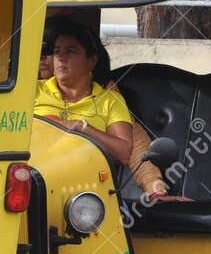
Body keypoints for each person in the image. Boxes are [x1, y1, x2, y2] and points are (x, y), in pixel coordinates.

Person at [33, 22, 135, 167]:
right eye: (57, 51)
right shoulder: (33, 90)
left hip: (87, 182)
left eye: (70, 51)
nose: (61, 57)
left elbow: (123, 153)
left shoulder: (110, 100)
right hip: (36, 174)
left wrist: (83, 128)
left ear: (92, 61)